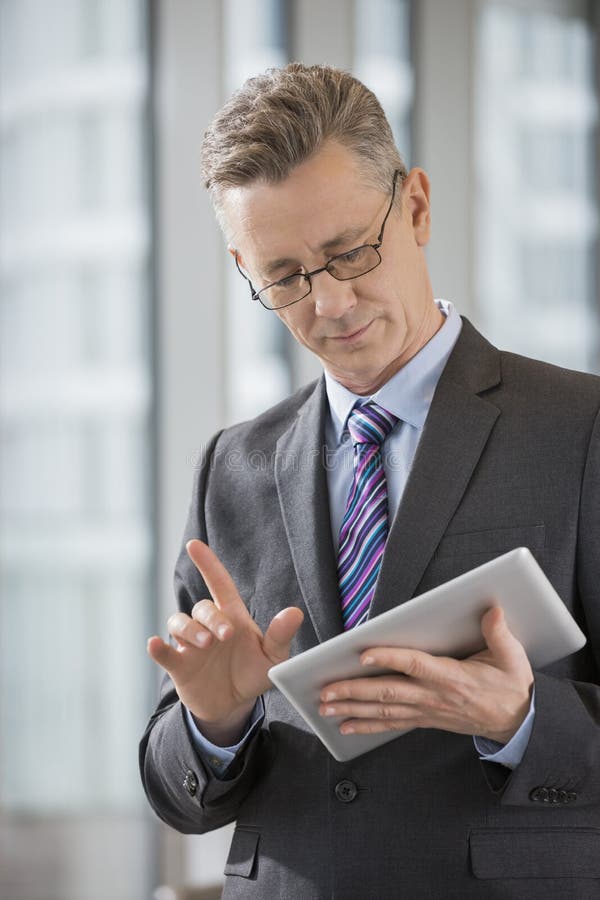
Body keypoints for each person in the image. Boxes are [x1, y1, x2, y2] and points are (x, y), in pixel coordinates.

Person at [140, 63, 600, 899]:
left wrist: (521, 722)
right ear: (247, 269)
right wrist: (214, 721)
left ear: (416, 206)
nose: (331, 302)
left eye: (350, 250)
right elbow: (177, 792)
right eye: (284, 277)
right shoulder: (231, 467)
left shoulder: (581, 429)